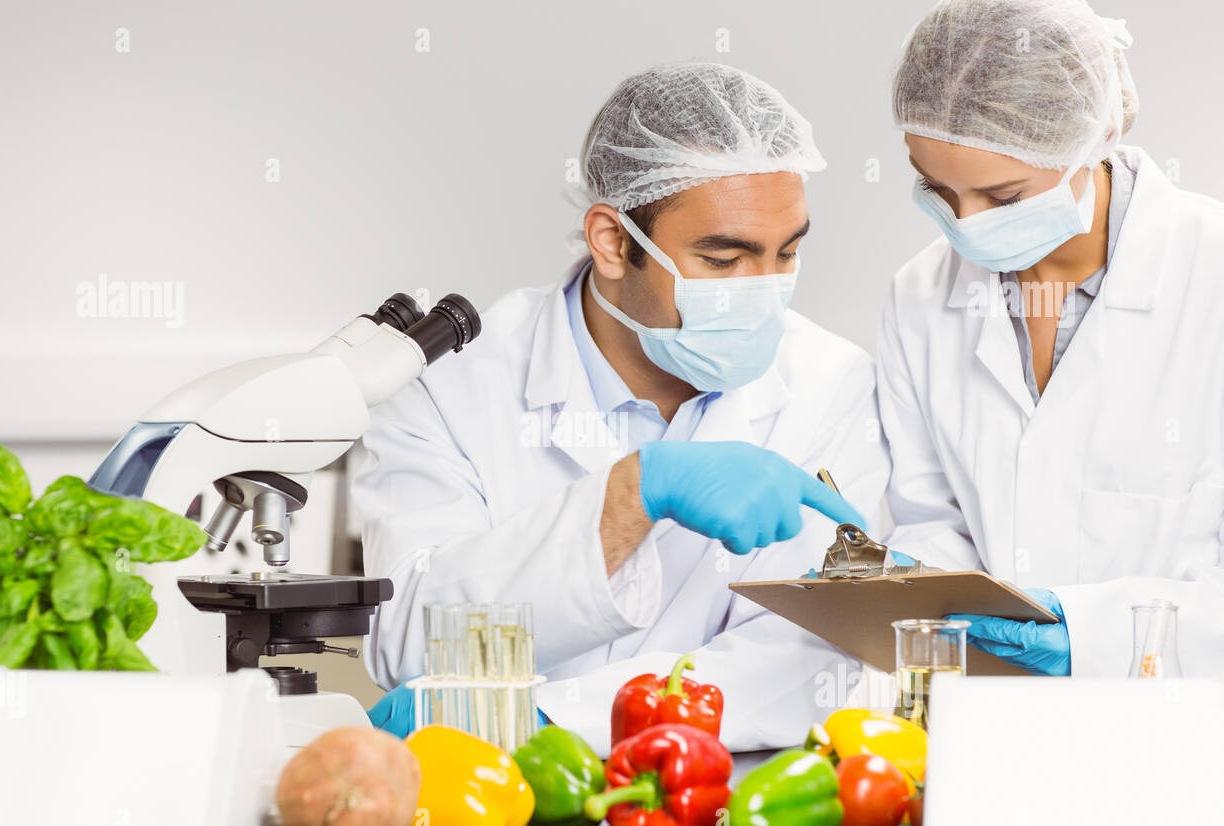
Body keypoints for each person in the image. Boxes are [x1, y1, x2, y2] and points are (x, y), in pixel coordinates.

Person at [356, 63, 892, 754]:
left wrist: (556, 722)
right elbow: (408, 640)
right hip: (487, 792)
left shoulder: (833, 383)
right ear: (612, 241)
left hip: (723, 804)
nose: (765, 290)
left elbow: (806, 658)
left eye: (785, 253)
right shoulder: (449, 386)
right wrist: (630, 497)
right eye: (723, 260)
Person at [880, 0, 1224, 677]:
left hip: (1186, 728)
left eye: (1003, 198)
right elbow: (927, 519)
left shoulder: (1208, 272)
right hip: (987, 712)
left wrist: (1099, 637)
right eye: (936, 191)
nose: (965, 225)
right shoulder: (919, 294)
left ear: (1089, 140)